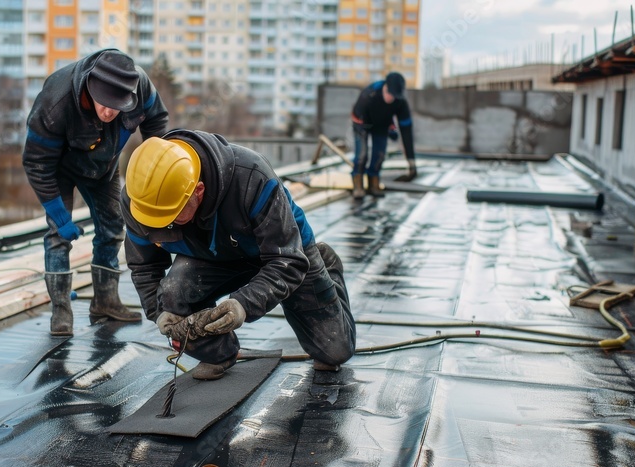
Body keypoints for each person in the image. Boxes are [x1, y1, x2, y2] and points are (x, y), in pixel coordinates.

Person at [120, 130, 357, 380]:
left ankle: (324, 264)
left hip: (283, 253)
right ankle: (219, 353)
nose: (163, 224)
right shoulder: (143, 202)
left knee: (334, 352)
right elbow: (144, 267)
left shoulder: (251, 177)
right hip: (211, 257)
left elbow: (287, 261)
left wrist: (243, 305)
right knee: (171, 294)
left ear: (198, 191)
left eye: (173, 216)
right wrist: (158, 312)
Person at [23, 48, 168, 336]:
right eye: (105, 104)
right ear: (91, 86)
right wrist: (60, 217)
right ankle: (61, 312)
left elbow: (157, 123)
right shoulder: (55, 103)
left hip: (104, 166)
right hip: (60, 169)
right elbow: (36, 163)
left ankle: (105, 301)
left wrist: (155, 166)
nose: (110, 112)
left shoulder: (139, 85)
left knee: (113, 227)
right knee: (58, 236)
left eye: (117, 106)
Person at [350, 71, 417, 199]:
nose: (391, 98)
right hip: (362, 123)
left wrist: (411, 162)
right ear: (385, 87)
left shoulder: (400, 102)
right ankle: (358, 185)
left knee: (379, 156)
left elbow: (406, 130)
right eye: (389, 93)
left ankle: (373, 184)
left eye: (394, 96)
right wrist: (361, 130)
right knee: (361, 155)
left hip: (382, 126)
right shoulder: (369, 94)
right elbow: (356, 115)